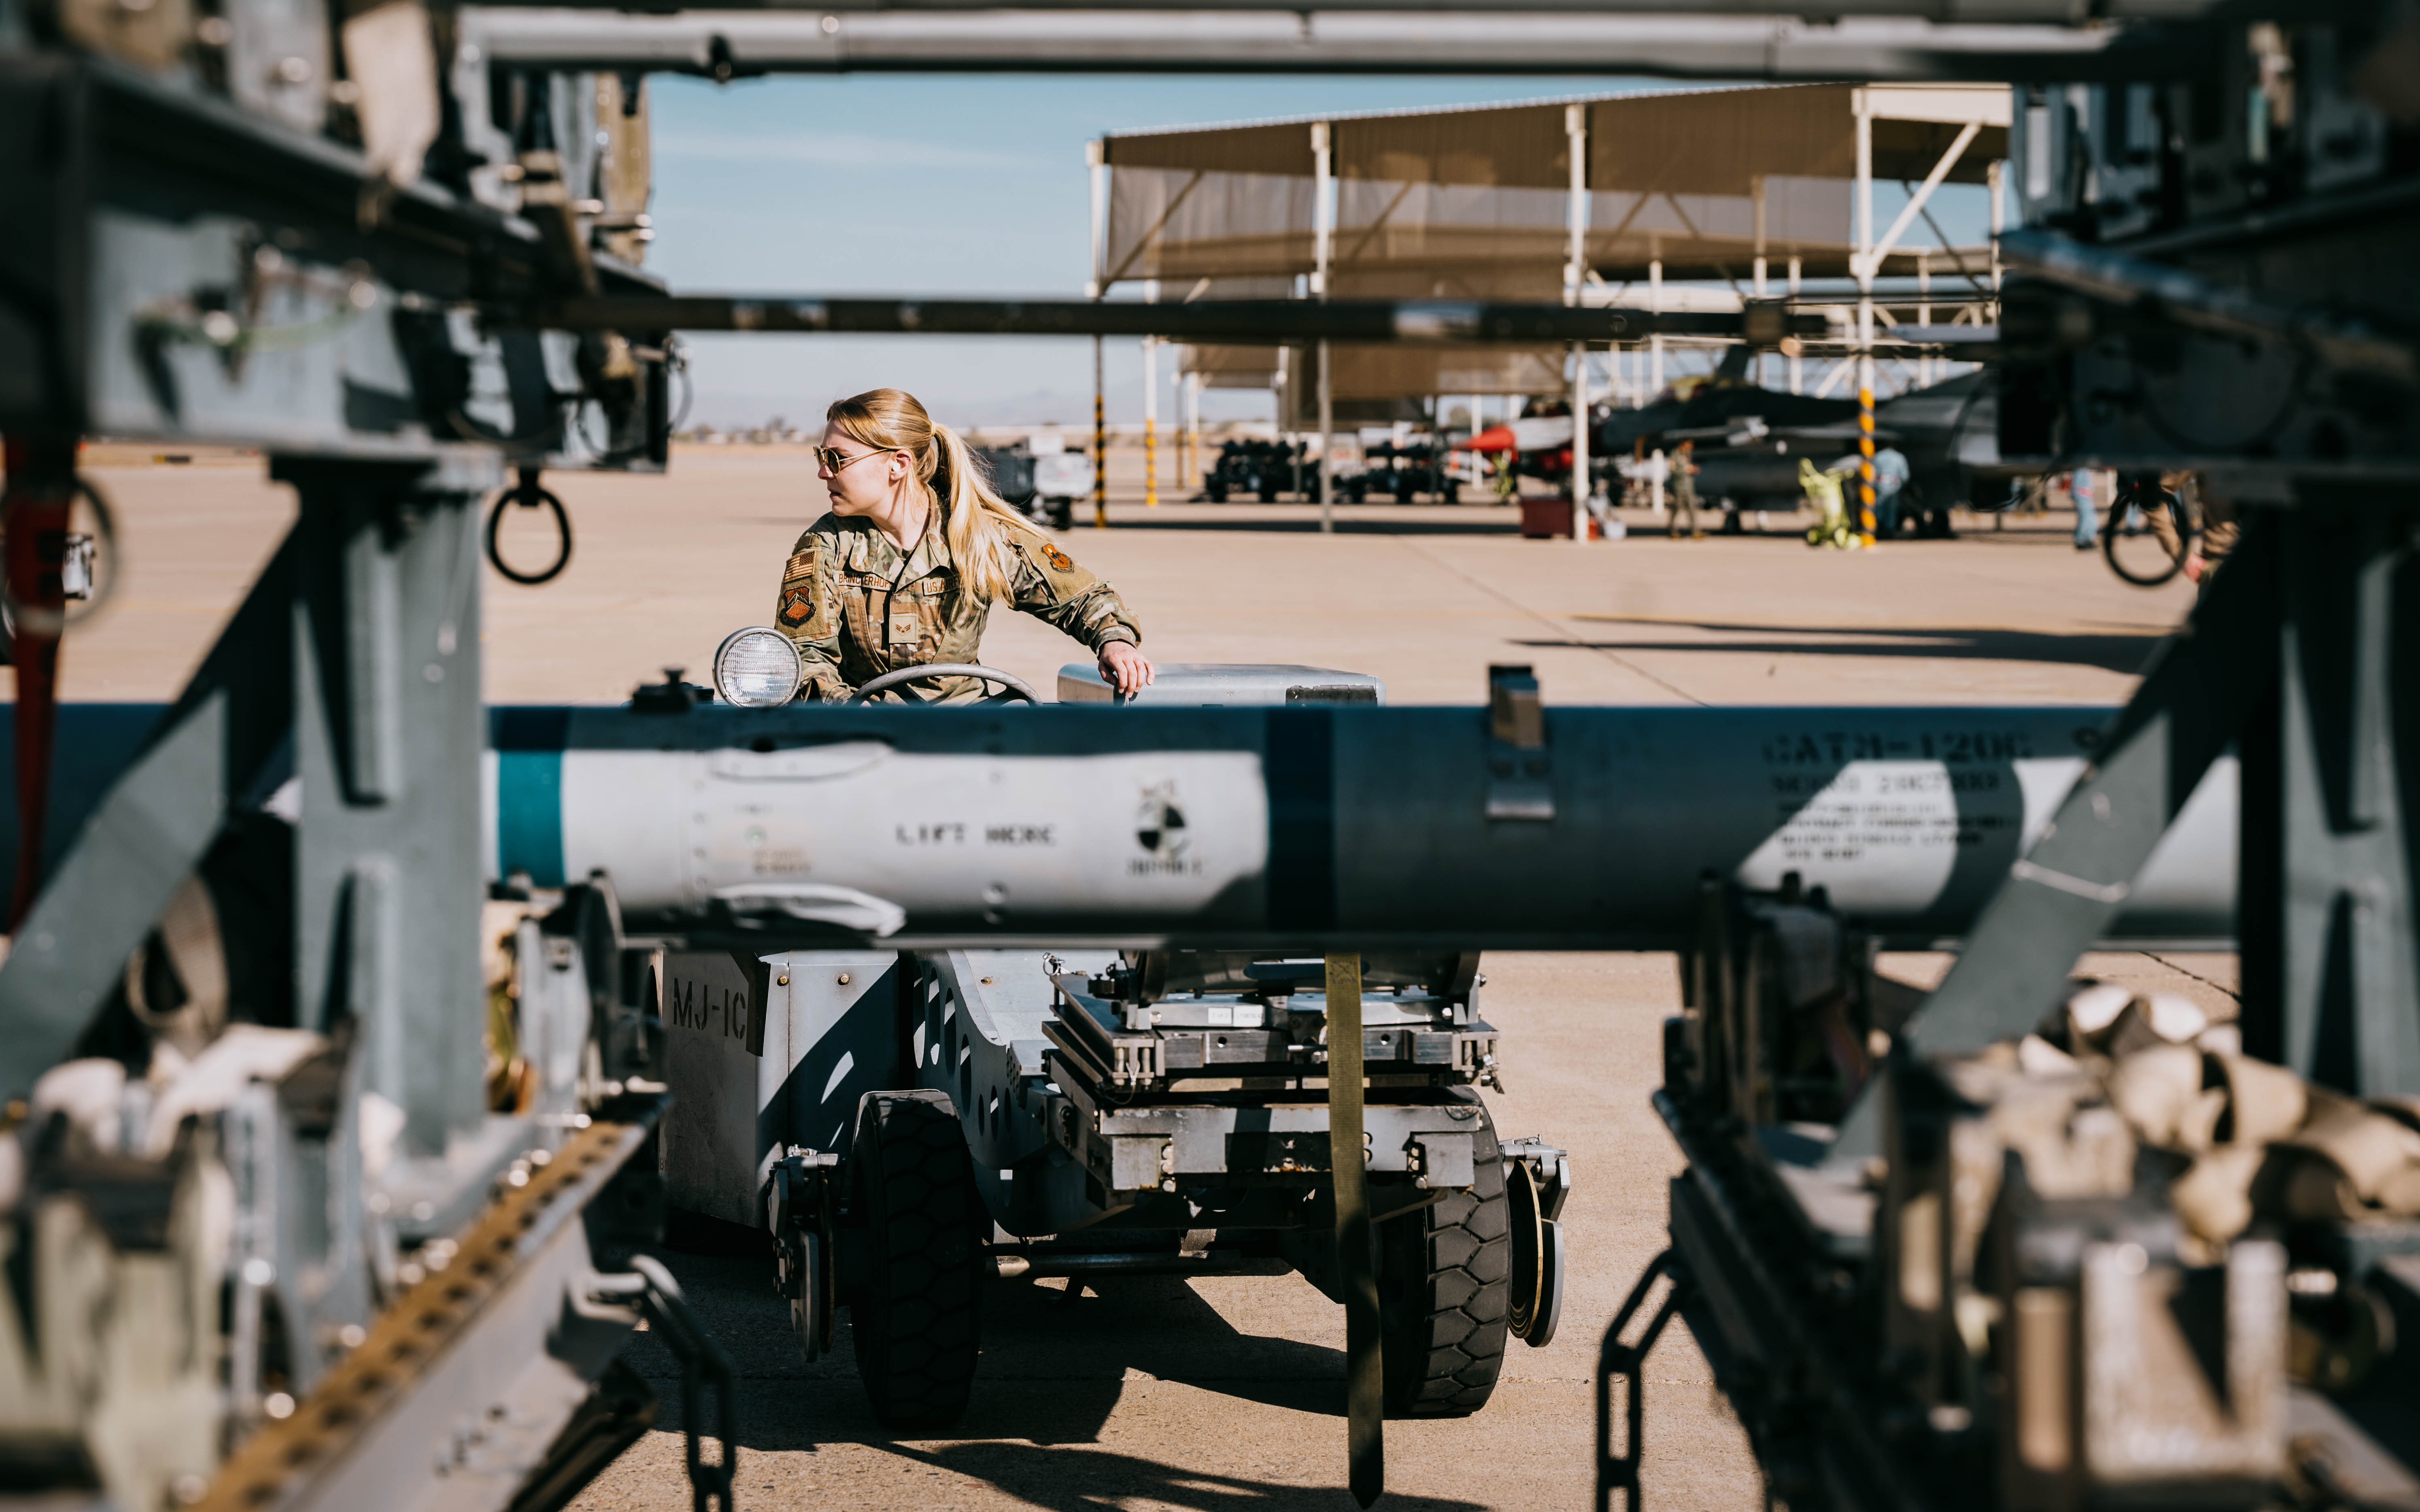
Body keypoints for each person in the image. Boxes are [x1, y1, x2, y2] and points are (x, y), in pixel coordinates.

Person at [774, 388, 1155, 702]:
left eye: (836, 459)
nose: (823, 471)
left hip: (970, 726)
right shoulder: (825, 546)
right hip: (866, 732)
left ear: (898, 464)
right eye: (821, 457)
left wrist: (1116, 642)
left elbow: (1082, 598)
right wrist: (848, 712)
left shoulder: (979, 536)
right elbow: (806, 659)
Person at [1870, 445, 1911, 537]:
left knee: (1878, 508)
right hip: (1894, 487)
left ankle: (1879, 529)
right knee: (1892, 509)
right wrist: (1900, 486)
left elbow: (1871, 475)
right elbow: (1905, 476)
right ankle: (1890, 531)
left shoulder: (1877, 457)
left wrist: (1875, 486)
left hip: (1880, 487)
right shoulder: (1899, 457)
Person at [1667, 440, 1703, 539]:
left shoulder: (1687, 456)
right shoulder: (1675, 455)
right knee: (1676, 510)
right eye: (1688, 446)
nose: (1690, 448)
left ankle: (1695, 532)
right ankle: (1672, 531)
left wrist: (1693, 470)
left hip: (1689, 488)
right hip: (1679, 488)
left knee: (1692, 510)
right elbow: (1673, 471)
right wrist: (1685, 470)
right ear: (1682, 445)